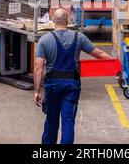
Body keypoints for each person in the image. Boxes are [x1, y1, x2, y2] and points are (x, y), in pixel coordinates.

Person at [34, 8, 113, 144]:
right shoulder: (79, 37)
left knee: (51, 122)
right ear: (68, 20)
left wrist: (37, 91)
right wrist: (115, 64)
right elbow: (98, 54)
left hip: (53, 87)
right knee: (68, 123)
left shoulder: (45, 40)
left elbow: (38, 67)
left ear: (53, 20)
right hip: (71, 86)